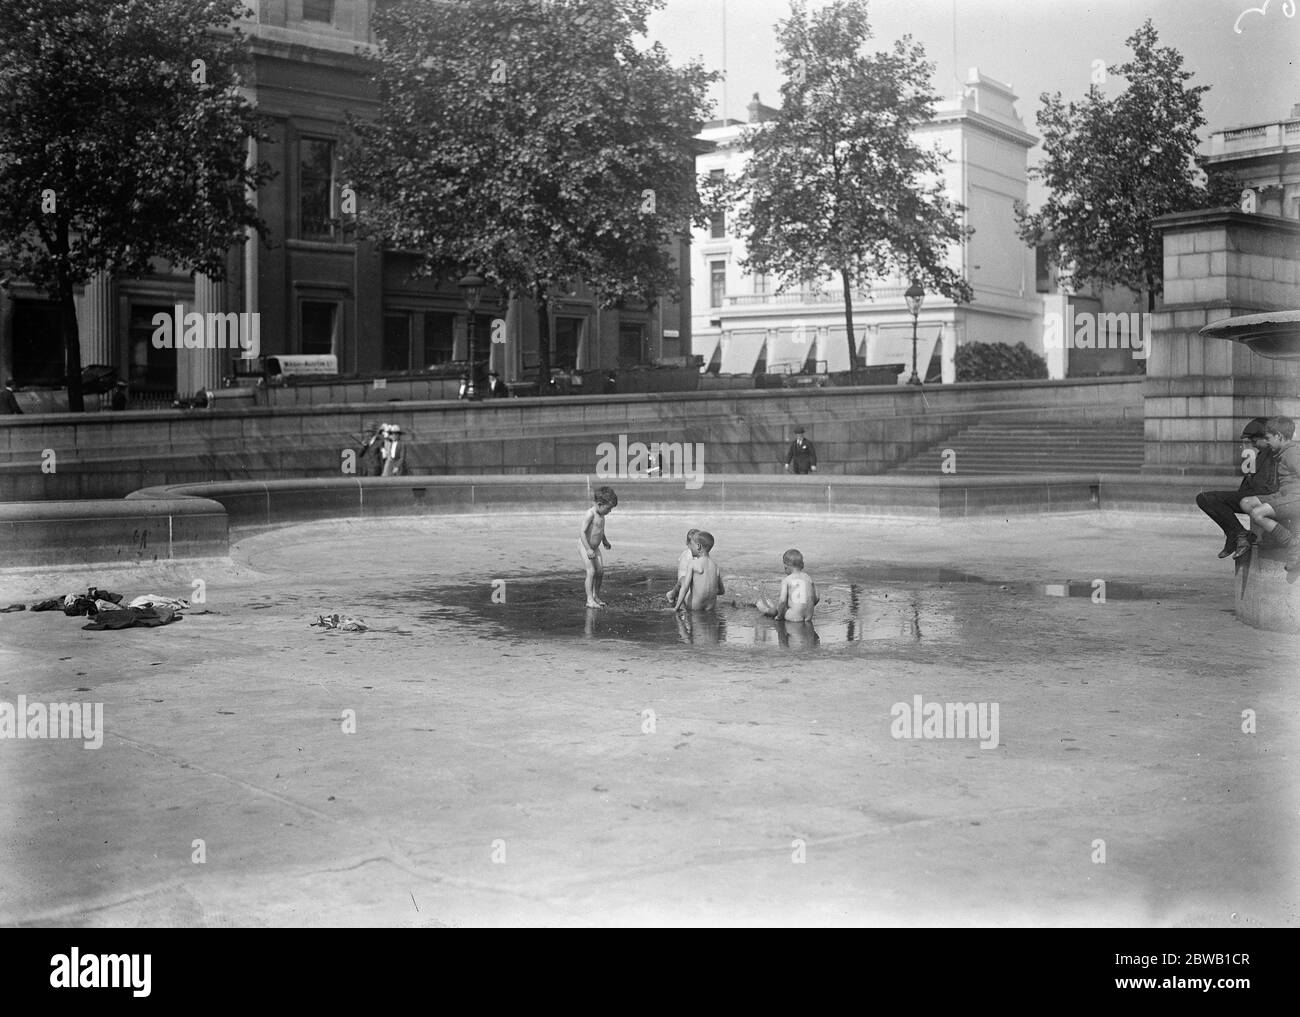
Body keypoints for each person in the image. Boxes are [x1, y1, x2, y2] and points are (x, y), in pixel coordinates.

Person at [1195, 417, 1278, 559]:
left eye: (1254, 440)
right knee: (1204, 499)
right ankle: (1236, 535)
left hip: (1266, 500)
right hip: (1253, 497)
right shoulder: (1260, 455)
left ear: (1266, 438)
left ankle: (1239, 535)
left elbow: (1269, 487)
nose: (1253, 444)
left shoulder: (1277, 454)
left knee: (1209, 499)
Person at [1239, 416, 1300, 570]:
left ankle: (1292, 544)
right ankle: (1282, 537)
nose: (1266, 442)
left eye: (1268, 438)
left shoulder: (1292, 453)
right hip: (1285, 496)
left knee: (1258, 514)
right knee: (1246, 502)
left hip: (1295, 498)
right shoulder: (1282, 452)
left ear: (1279, 436)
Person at [578, 485, 618, 607]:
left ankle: (596, 596)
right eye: (608, 508)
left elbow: (600, 530)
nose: (609, 511)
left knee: (600, 572)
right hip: (585, 546)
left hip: (595, 547)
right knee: (591, 571)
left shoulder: (602, 515)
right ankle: (589, 599)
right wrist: (588, 549)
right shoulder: (590, 514)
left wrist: (605, 541)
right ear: (600, 504)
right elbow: (582, 532)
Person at [755, 548, 819, 621]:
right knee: (791, 603)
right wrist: (807, 606)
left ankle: (764, 608)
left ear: (786, 567)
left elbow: (782, 601)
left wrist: (780, 615)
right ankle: (770, 604)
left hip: (793, 617)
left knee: (776, 610)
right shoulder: (808, 578)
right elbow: (817, 597)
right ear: (803, 565)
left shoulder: (787, 580)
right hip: (808, 617)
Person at [673, 530, 724, 612]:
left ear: (698, 546)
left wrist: (676, 608)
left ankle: (672, 596)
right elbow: (722, 591)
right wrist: (708, 593)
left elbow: (685, 587)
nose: (690, 548)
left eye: (691, 545)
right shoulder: (715, 566)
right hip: (710, 607)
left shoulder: (693, 563)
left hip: (695, 606)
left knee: (683, 579)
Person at [666, 528, 702, 605]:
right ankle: (672, 594)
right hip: (686, 586)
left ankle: (672, 594)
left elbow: (679, 560)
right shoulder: (691, 555)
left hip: (682, 584)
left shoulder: (685, 553)